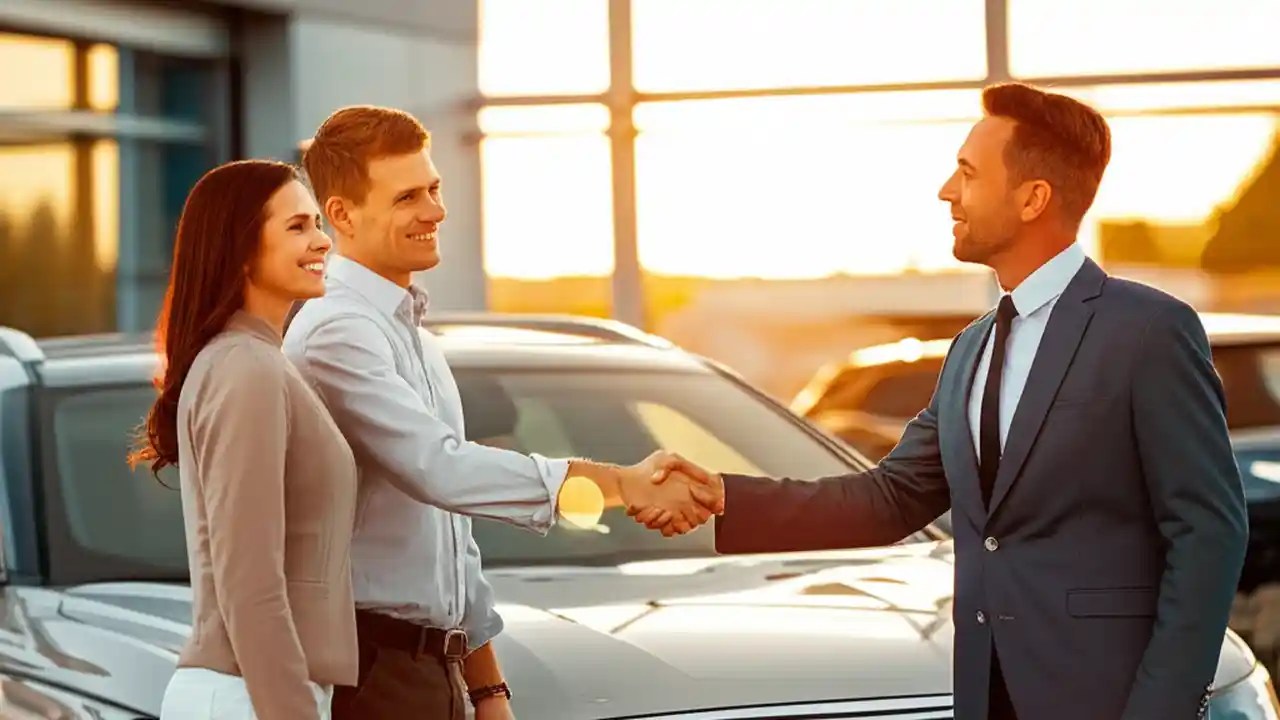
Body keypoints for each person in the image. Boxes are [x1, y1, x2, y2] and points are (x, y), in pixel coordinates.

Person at [640, 83, 1248, 720]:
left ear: (1033, 197)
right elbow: (889, 499)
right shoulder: (970, 349)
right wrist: (724, 496)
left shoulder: (1148, 331)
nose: (946, 191)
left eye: (967, 172)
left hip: (1106, 700)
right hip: (985, 697)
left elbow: (1209, 531)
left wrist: (1162, 711)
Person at [282, 105, 715, 720]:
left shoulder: (412, 336)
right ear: (343, 215)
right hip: (370, 678)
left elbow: (452, 537)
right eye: (408, 196)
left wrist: (487, 688)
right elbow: (442, 470)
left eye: (433, 188)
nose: (435, 211)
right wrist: (619, 484)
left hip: (435, 674)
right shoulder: (337, 333)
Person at [129, 159, 357, 719]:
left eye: (316, 224)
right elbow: (249, 581)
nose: (321, 240)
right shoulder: (245, 369)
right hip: (248, 699)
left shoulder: (252, 361)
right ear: (242, 250)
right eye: (297, 226)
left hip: (253, 695)